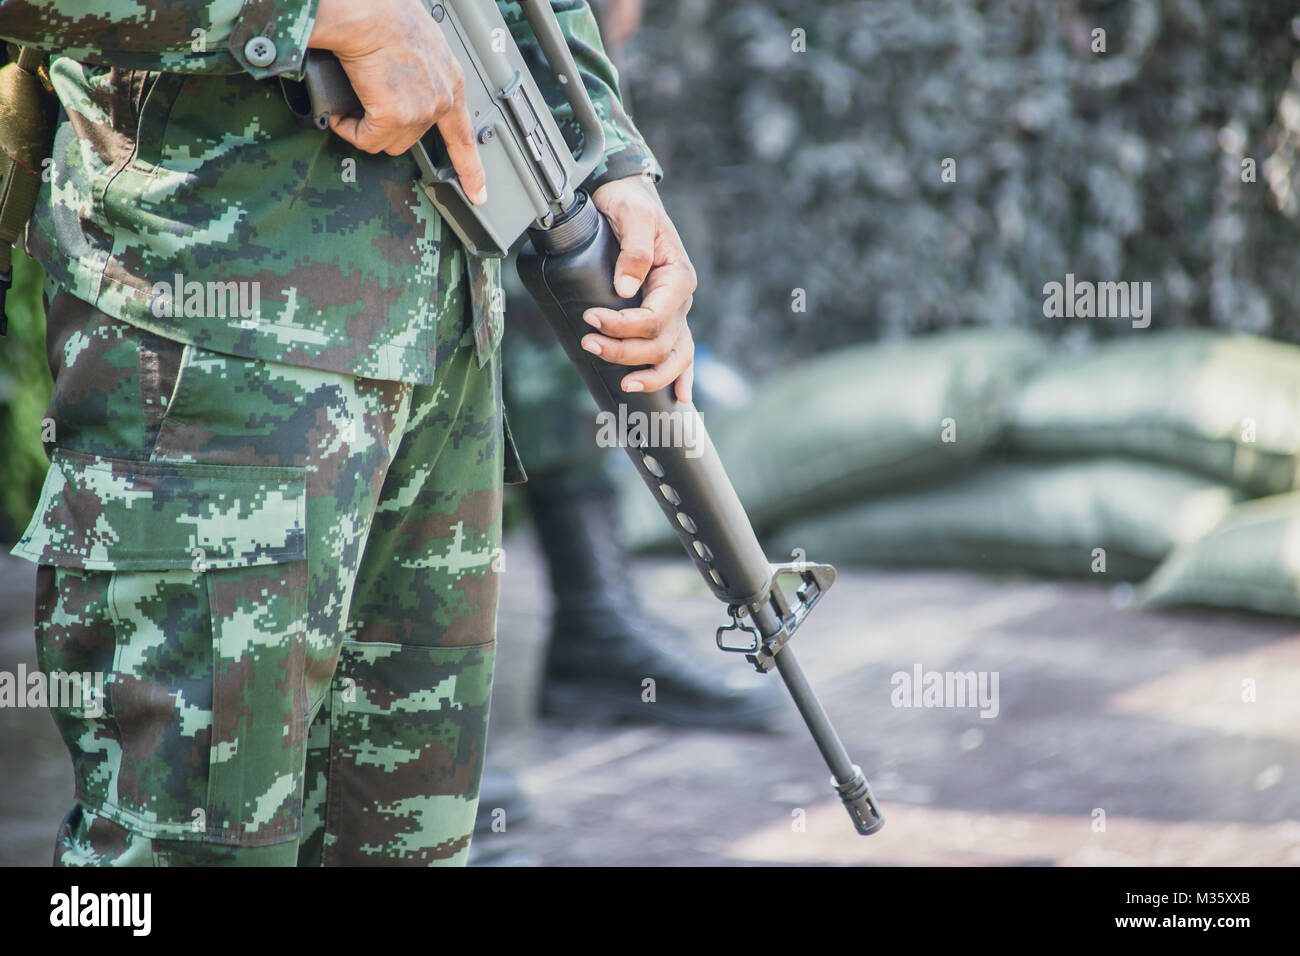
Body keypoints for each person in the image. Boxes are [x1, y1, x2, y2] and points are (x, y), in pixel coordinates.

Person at [2, 0, 696, 866]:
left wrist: (608, 160)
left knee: (409, 845)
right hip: (215, 333)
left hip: (443, 336)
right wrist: (322, 13)